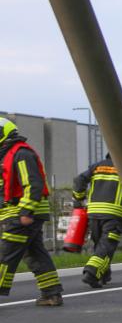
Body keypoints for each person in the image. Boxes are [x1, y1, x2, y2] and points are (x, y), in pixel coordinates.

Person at [0, 118, 63, 306]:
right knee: (34, 253)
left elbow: (33, 184)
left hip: (23, 213)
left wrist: (26, 211)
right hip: (18, 213)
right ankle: (51, 294)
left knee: (5, 254)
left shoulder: (21, 153)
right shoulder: (6, 155)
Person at [71, 152, 122, 288]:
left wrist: (79, 198)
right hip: (113, 213)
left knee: (100, 244)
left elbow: (79, 180)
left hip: (94, 212)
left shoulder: (97, 166)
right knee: (107, 245)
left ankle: (104, 274)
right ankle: (91, 273)